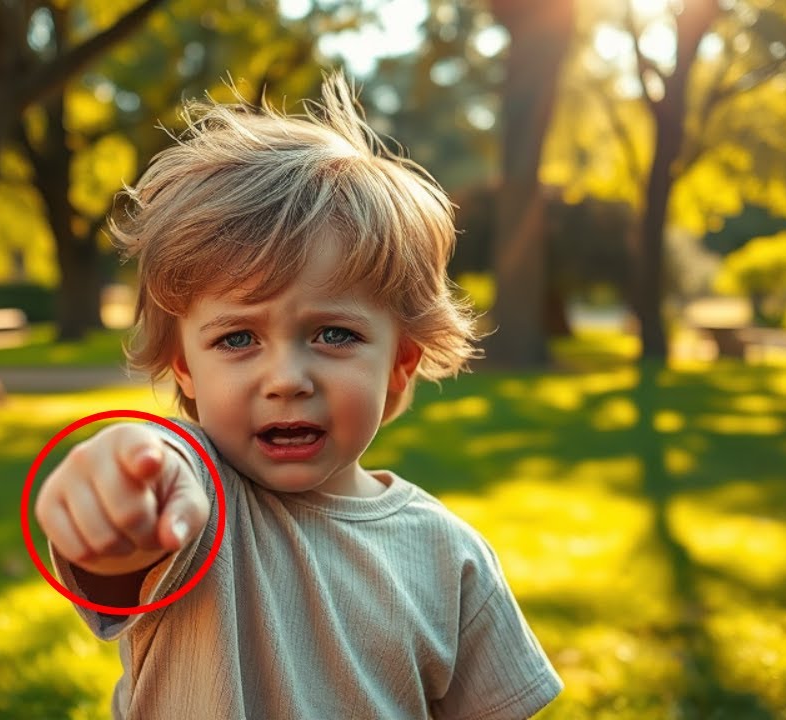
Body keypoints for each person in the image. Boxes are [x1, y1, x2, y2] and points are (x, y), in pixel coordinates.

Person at [35, 72, 562, 719]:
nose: (287, 378)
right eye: (236, 339)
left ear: (401, 360)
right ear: (186, 369)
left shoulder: (451, 560)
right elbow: (154, 500)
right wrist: (123, 482)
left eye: (333, 333)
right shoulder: (200, 506)